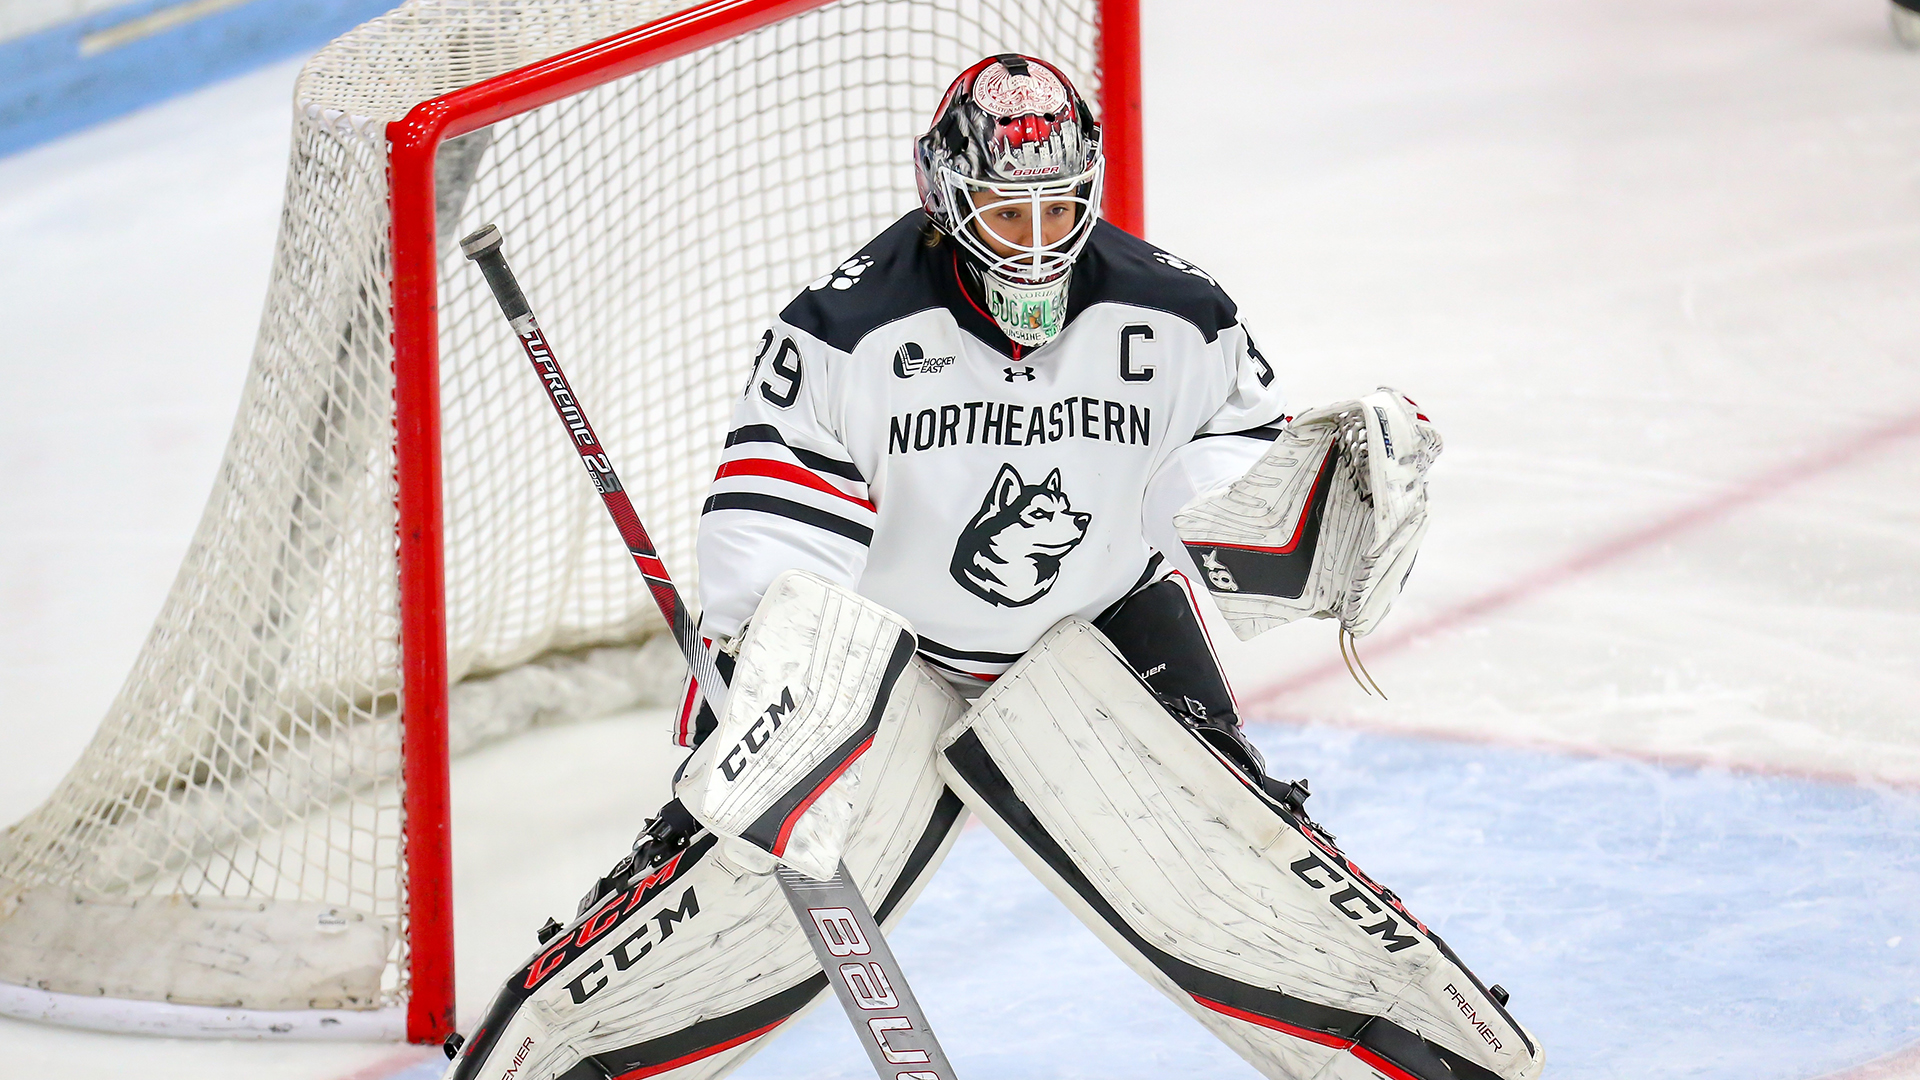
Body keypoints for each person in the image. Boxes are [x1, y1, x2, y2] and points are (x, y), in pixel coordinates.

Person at [446, 54, 1538, 1080]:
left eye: (1059, 206)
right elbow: (774, 552)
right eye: (1006, 211)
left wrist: (1319, 506)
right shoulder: (843, 328)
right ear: (944, 197)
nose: (1035, 240)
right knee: (722, 895)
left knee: (1248, 884)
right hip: (887, 659)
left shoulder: (1180, 315)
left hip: (1100, 631)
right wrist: (762, 706)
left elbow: (1227, 517)